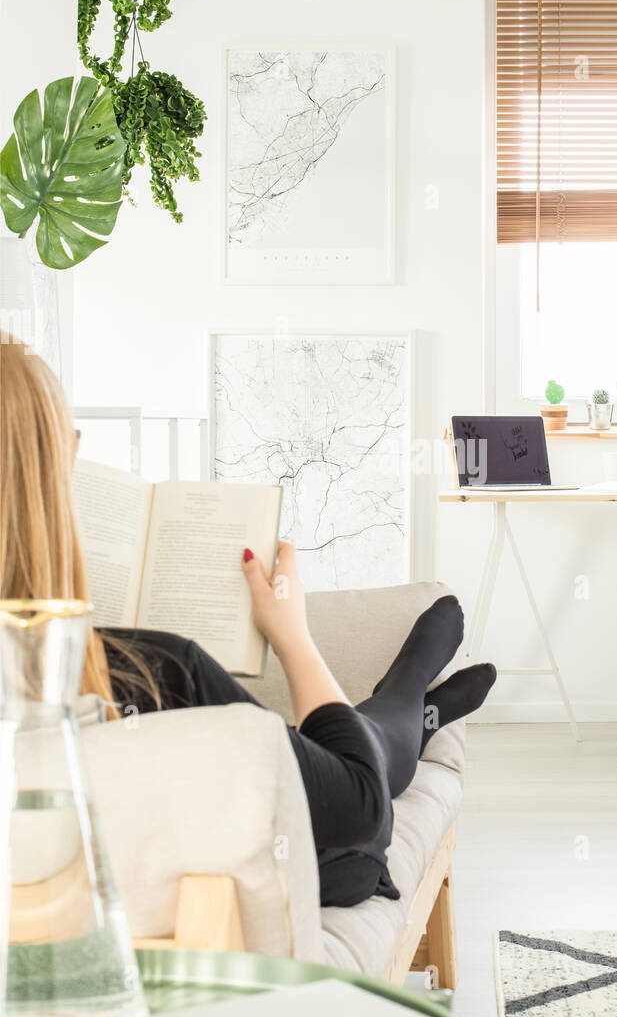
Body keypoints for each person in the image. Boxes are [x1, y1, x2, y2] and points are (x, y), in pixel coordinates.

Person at [0, 339, 495, 905]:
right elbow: (359, 808)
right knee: (365, 768)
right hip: (297, 870)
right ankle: (407, 692)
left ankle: (408, 707)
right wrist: (291, 635)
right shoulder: (154, 672)